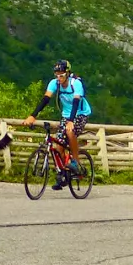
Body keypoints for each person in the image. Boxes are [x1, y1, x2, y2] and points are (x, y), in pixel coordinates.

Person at [23, 60, 90, 188]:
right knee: (59, 145)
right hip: (66, 115)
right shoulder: (54, 83)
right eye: (56, 75)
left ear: (68, 73)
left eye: (62, 75)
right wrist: (33, 115)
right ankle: (62, 175)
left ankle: (76, 161)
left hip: (81, 113)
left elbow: (76, 102)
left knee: (70, 132)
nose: (59, 78)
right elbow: (45, 99)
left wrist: (71, 121)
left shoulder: (76, 83)